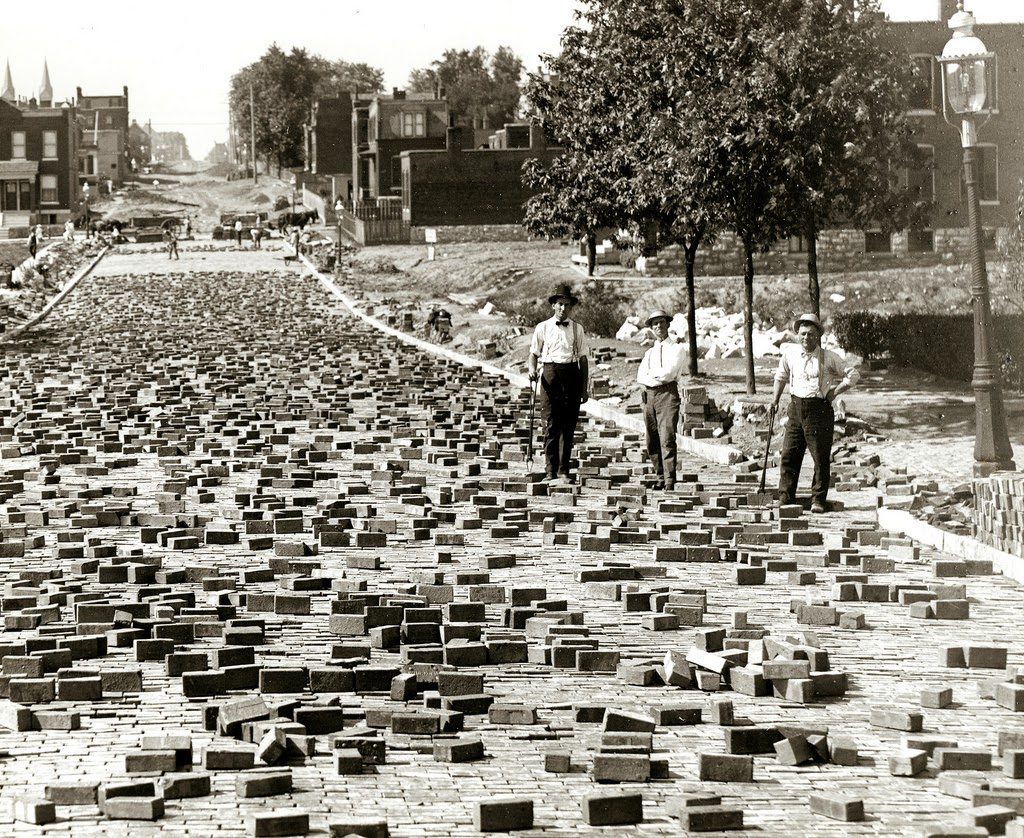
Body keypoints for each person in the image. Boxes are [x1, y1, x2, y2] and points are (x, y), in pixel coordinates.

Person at [770, 312, 860, 513]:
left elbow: (853, 374)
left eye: (810, 334)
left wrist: (835, 391)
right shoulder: (790, 354)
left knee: (820, 458)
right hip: (795, 409)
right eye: (802, 334)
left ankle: (818, 500)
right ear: (797, 334)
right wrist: (774, 400)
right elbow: (781, 376)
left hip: (819, 411)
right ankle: (785, 498)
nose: (805, 338)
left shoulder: (829, 358)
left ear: (818, 335)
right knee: (789, 455)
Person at [528, 284, 589, 485]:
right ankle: (550, 470)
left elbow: (583, 360)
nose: (563, 309)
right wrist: (531, 369)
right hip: (550, 376)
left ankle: (564, 471)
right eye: (560, 304)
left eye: (567, 305)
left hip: (571, 375)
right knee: (550, 425)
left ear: (571, 307)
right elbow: (533, 354)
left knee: (568, 427)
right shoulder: (542, 327)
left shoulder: (578, 328)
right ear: (553, 305)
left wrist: (584, 388)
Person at [636, 309, 686, 490]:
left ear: (668, 324)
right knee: (652, 438)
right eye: (654, 323)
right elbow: (641, 376)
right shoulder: (649, 352)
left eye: (661, 322)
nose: (658, 326)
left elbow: (669, 373)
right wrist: (652, 377)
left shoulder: (677, 348)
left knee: (667, 437)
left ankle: (670, 479)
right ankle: (659, 476)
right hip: (649, 396)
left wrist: (652, 375)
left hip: (667, 395)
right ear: (651, 327)